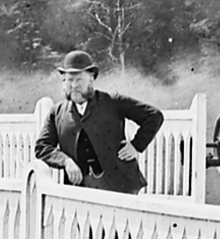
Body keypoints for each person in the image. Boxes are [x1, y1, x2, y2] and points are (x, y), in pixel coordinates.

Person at [34, 49, 164, 193]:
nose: (74, 85)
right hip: (80, 189)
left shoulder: (113, 102)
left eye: (79, 79)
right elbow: (42, 147)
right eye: (69, 80)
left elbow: (153, 116)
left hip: (119, 186)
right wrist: (66, 161)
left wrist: (136, 146)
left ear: (91, 79)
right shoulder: (57, 113)